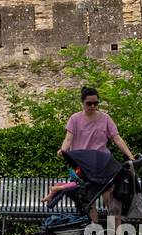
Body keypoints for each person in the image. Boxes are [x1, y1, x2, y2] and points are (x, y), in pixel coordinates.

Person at [56, 86, 134, 224]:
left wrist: (130, 156)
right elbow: (68, 138)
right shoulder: (75, 119)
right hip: (83, 165)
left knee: (110, 199)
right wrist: (63, 151)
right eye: (89, 103)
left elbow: (116, 138)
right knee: (88, 201)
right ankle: (94, 232)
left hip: (102, 165)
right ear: (82, 103)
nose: (93, 106)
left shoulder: (105, 118)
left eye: (96, 103)